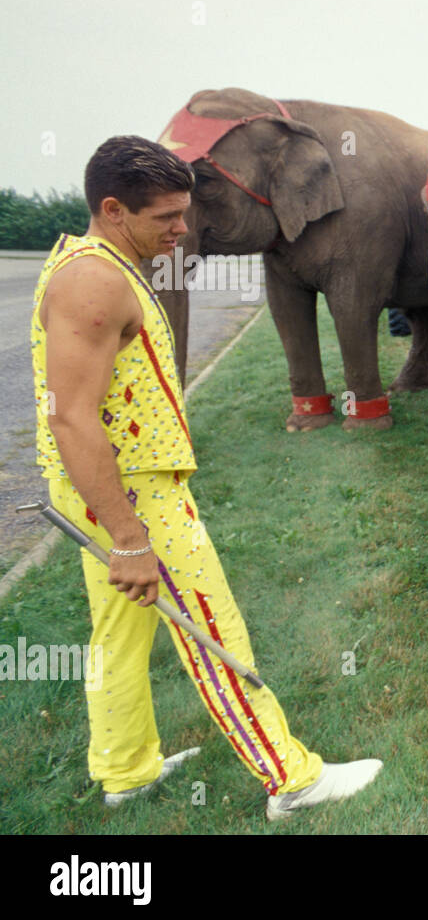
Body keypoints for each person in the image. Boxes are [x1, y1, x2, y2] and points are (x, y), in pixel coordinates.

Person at [31, 135, 382, 820]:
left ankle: (124, 770)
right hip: (130, 487)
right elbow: (72, 418)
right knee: (210, 630)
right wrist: (130, 537)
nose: (182, 229)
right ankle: (291, 778)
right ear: (112, 209)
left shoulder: (102, 262)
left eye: (183, 212)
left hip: (110, 484)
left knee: (119, 633)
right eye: (165, 217)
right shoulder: (93, 280)